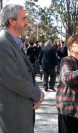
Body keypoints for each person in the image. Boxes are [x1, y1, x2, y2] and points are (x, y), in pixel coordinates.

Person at [0, 4, 44, 133]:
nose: (27, 22)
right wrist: (38, 94)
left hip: (22, 112)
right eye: (24, 18)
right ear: (12, 21)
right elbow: (13, 79)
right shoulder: (3, 44)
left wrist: (36, 93)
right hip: (13, 116)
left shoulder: (13, 42)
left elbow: (27, 73)